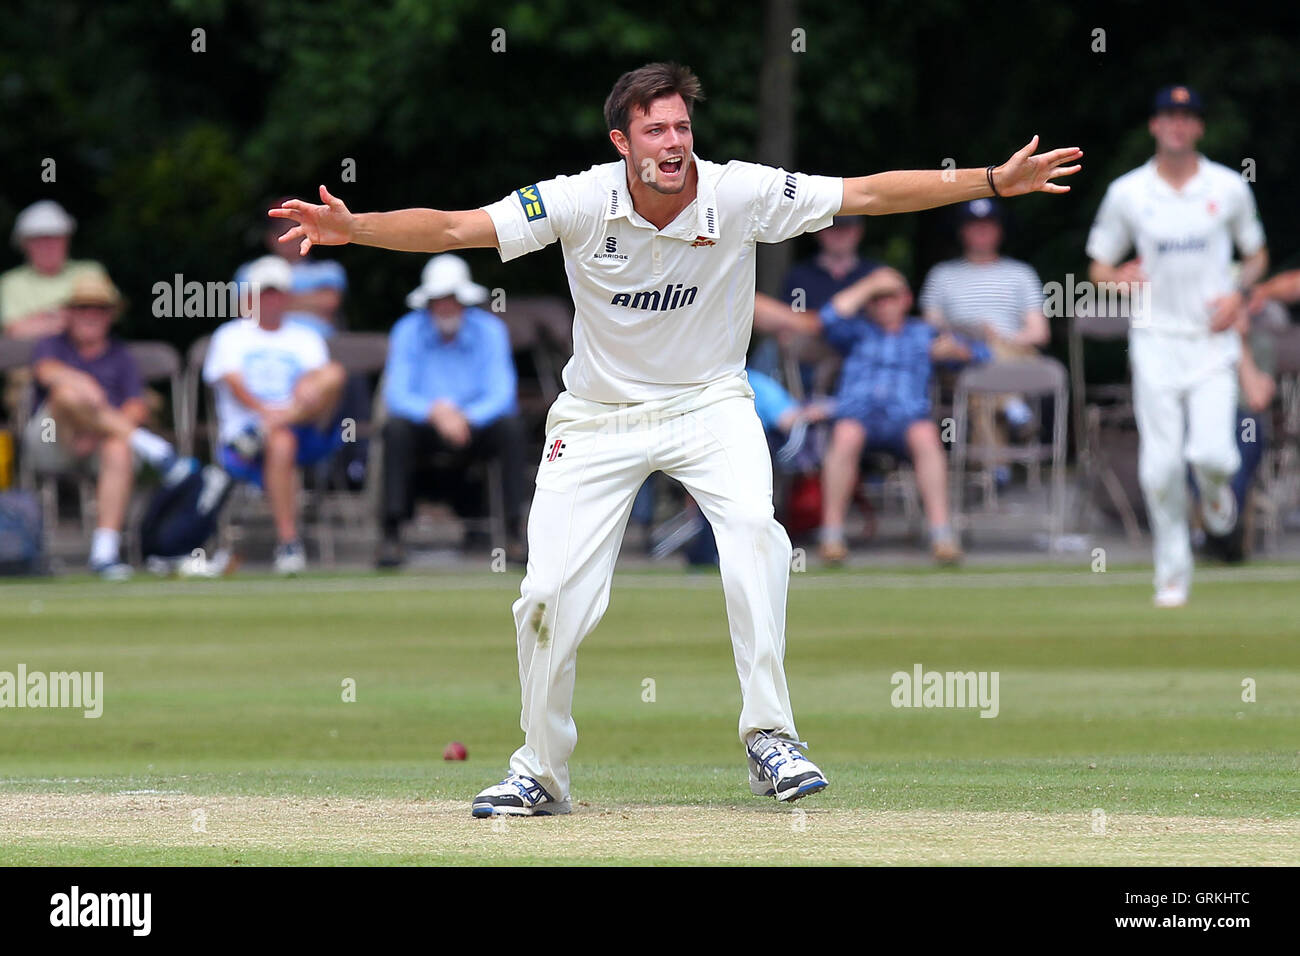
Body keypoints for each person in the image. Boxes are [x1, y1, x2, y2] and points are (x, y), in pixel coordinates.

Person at [271, 61, 1081, 817]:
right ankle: (541, 771)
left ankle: (771, 736)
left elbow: (866, 194)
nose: (674, 144)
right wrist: (358, 227)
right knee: (546, 597)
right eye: (656, 130)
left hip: (710, 406)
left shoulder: (740, 193)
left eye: (683, 128)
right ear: (622, 142)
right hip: (596, 417)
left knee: (757, 541)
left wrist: (990, 181)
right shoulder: (580, 199)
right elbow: (455, 228)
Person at [1086, 85, 1268, 608]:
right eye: (1169, 116)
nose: (1178, 126)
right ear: (1154, 126)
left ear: (1199, 128)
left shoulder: (1228, 187)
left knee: (1212, 454)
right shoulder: (1128, 192)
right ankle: (1172, 572)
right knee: (1160, 468)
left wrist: (1240, 294)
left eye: (1188, 118)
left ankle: (1215, 496)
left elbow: (1255, 256)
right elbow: (1098, 265)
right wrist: (1117, 278)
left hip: (1211, 340)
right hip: (1155, 340)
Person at [814, 267, 989, 565]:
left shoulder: (924, 332)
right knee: (845, 435)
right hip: (859, 415)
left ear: (906, 299)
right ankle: (831, 536)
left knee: (925, 435)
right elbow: (826, 318)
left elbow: (984, 354)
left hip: (906, 418)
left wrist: (958, 351)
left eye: (890, 297)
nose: (884, 304)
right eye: (877, 299)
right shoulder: (855, 331)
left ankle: (942, 535)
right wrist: (869, 284)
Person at [378, 253, 526, 567]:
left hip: (476, 424)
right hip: (425, 425)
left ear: (465, 300)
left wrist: (464, 417)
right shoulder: (406, 330)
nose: (445, 306)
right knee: (395, 429)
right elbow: (398, 395)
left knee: (512, 428)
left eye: (452, 299)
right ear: (428, 302)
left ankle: (515, 531)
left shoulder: (491, 330)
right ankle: (391, 534)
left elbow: (502, 393)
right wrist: (436, 412)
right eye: (438, 299)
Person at [25, 272, 177, 579]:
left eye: (98, 308)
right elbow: (47, 373)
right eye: (82, 308)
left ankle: (104, 552)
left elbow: (136, 405)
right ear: (69, 313)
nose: (90, 316)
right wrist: (86, 388)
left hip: (100, 443)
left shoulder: (120, 355)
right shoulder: (52, 345)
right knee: (68, 393)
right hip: (51, 436)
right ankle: (149, 445)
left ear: (110, 314)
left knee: (119, 449)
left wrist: (98, 427)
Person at [202, 255, 346, 575]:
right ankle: (288, 542)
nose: (270, 300)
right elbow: (234, 382)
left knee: (333, 375)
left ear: (287, 297)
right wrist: (265, 410)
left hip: (300, 422)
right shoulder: (231, 335)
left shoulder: (306, 337)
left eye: (276, 293)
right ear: (250, 296)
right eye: (264, 293)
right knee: (281, 443)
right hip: (244, 433)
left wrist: (302, 392)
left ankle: (270, 428)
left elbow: (319, 379)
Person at [920, 198, 1049, 477]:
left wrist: (999, 338)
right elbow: (930, 329)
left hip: (1013, 356)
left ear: (999, 230)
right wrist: (969, 338)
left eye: (987, 226)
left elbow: (1039, 333)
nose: (981, 232)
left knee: (982, 373)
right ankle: (1012, 407)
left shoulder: (1021, 274)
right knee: (977, 371)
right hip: (960, 357)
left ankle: (994, 471)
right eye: (974, 226)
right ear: (961, 231)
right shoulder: (941, 275)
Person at [1, 201, 109, 340]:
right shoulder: (10, 282)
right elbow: (15, 331)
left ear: (67, 240)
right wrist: (72, 315)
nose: (48, 246)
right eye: (39, 240)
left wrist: (41, 319)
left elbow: (104, 318)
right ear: (24, 245)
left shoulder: (90, 271)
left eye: (54, 238)